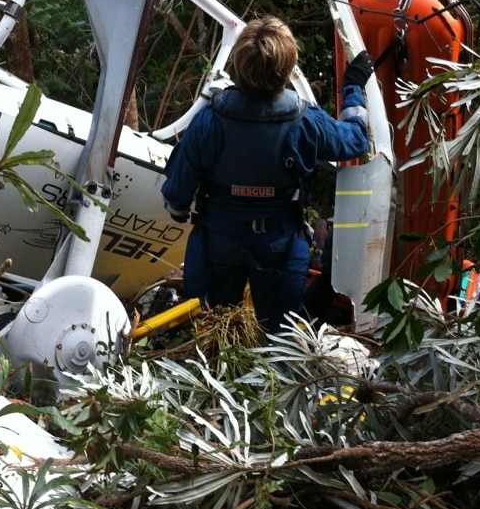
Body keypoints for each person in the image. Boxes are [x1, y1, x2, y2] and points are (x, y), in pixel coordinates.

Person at [160, 16, 374, 331]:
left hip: (218, 241)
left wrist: (178, 208)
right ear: (288, 70)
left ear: (238, 64)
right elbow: (355, 140)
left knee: (215, 331)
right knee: (278, 336)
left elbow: (176, 196)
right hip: (279, 245)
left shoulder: (209, 121)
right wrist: (353, 86)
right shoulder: (306, 123)